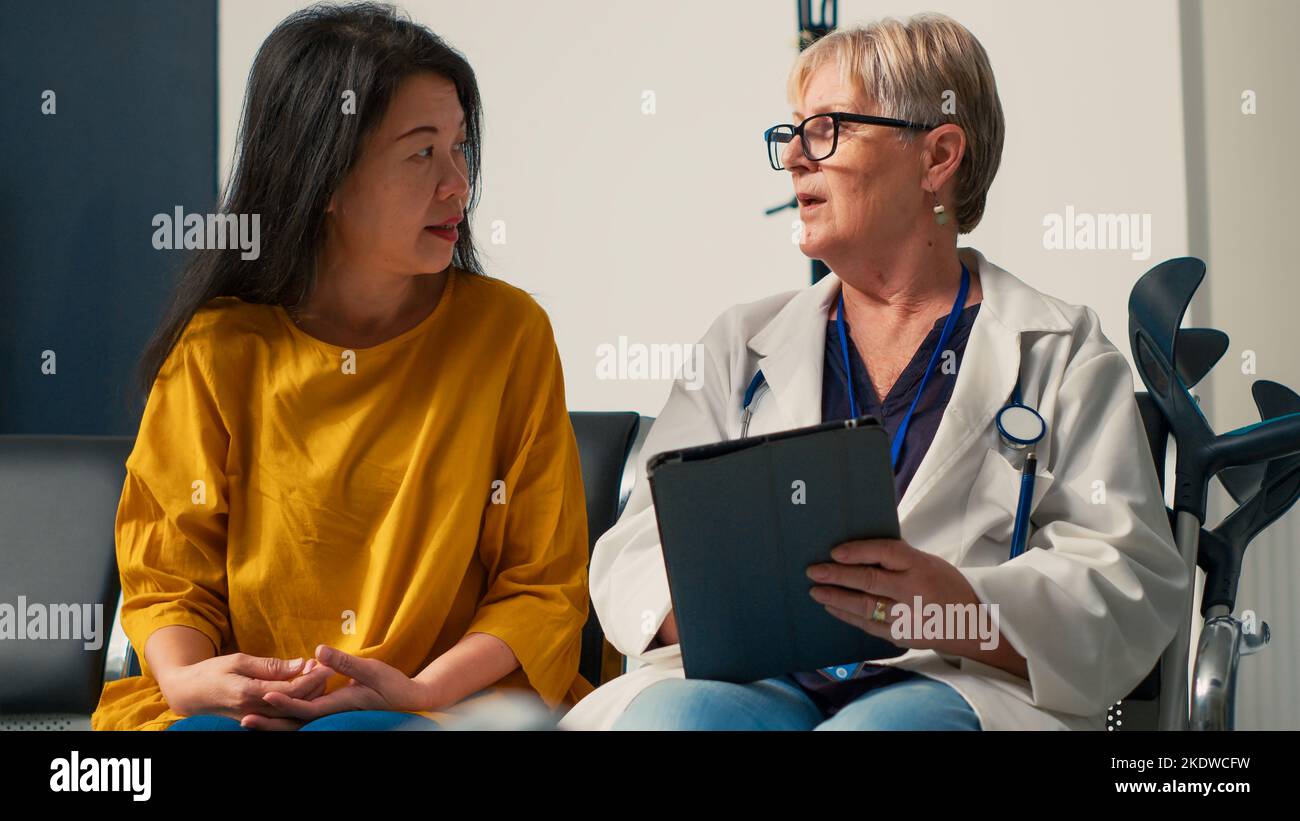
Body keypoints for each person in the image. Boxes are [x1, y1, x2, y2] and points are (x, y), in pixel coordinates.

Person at [561, 12, 1189, 731]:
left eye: (827, 129)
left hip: (949, 680)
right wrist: (738, 609)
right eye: (790, 134)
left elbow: (1128, 580)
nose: (796, 157)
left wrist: (957, 606)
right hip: (753, 680)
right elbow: (633, 551)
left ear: (938, 156)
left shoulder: (1059, 349)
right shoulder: (741, 345)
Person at [91, 2, 590, 731]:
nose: (458, 183)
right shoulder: (216, 348)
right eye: (422, 153)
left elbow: (541, 586)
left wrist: (418, 691)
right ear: (321, 178)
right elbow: (168, 577)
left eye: (460, 148)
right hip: (241, 712)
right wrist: (196, 682)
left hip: (449, 704)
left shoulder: (509, 334)